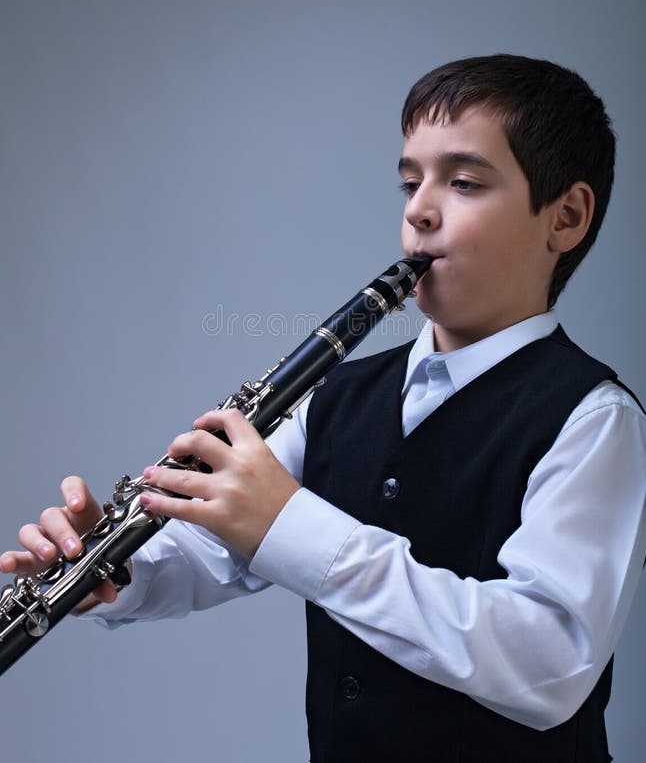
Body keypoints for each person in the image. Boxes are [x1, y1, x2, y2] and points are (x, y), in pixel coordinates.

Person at [2, 55, 644, 762]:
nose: (419, 209)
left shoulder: (593, 419)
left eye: (463, 182)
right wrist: (116, 571)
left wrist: (294, 526)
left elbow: (549, 662)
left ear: (566, 217)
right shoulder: (338, 395)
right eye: (411, 182)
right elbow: (215, 548)